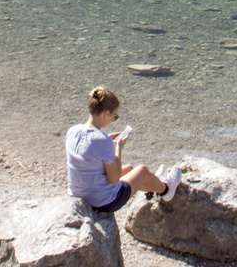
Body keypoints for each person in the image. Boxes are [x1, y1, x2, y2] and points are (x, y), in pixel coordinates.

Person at [65, 86, 180, 214]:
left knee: (130, 169)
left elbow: (86, 155)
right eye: (115, 116)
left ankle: (155, 186)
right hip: (104, 202)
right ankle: (166, 190)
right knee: (142, 170)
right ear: (106, 114)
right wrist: (118, 148)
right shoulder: (103, 141)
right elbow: (114, 179)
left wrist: (106, 141)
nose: (114, 119)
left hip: (78, 194)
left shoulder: (72, 131)